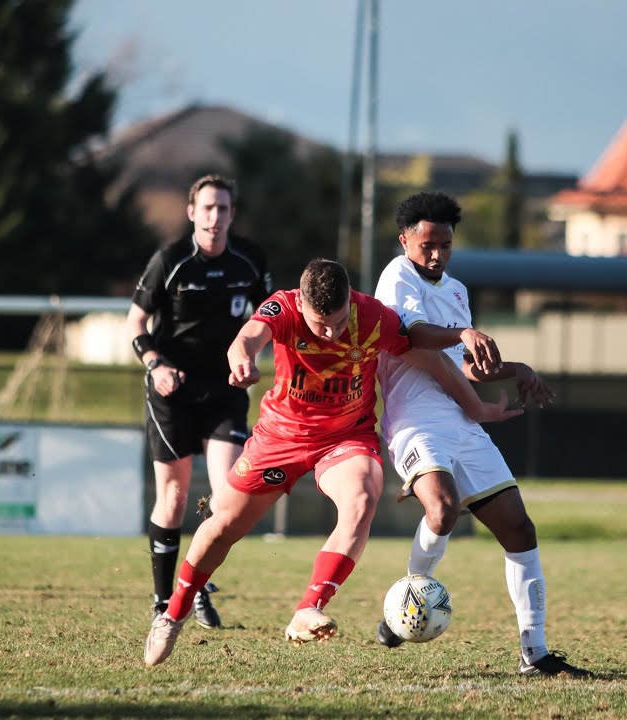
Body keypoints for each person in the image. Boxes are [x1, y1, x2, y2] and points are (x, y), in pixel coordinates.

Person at [144, 258, 520, 666]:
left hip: (345, 437)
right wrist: (243, 358)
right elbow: (248, 337)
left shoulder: (374, 318)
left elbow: (434, 361)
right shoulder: (283, 307)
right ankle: (173, 614)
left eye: (339, 323)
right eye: (321, 325)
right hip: (281, 436)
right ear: (302, 304)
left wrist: (476, 408)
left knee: (361, 497)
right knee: (222, 527)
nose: (332, 333)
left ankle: (309, 606)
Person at [370, 191, 591, 678]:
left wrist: (516, 369)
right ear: (405, 240)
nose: (436, 254)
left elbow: (462, 367)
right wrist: (463, 334)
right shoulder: (397, 276)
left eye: (445, 245)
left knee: (519, 528)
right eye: (427, 244)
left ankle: (535, 654)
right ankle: (408, 599)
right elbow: (410, 335)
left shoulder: (457, 290)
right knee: (443, 508)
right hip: (415, 421)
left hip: (461, 422)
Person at [126, 174, 272, 631]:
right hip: (174, 390)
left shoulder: (249, 260)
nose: (215, 217)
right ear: (192, 212)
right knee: (174, 496)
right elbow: (135, 321)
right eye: (207, 208)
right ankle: (161, 601)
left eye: (223, 209)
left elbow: (272, 317)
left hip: (225, 389)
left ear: (232, 214)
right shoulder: (170, 261)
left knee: (227, 493)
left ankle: (198, 585)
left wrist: (256, 357)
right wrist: (156, 366)